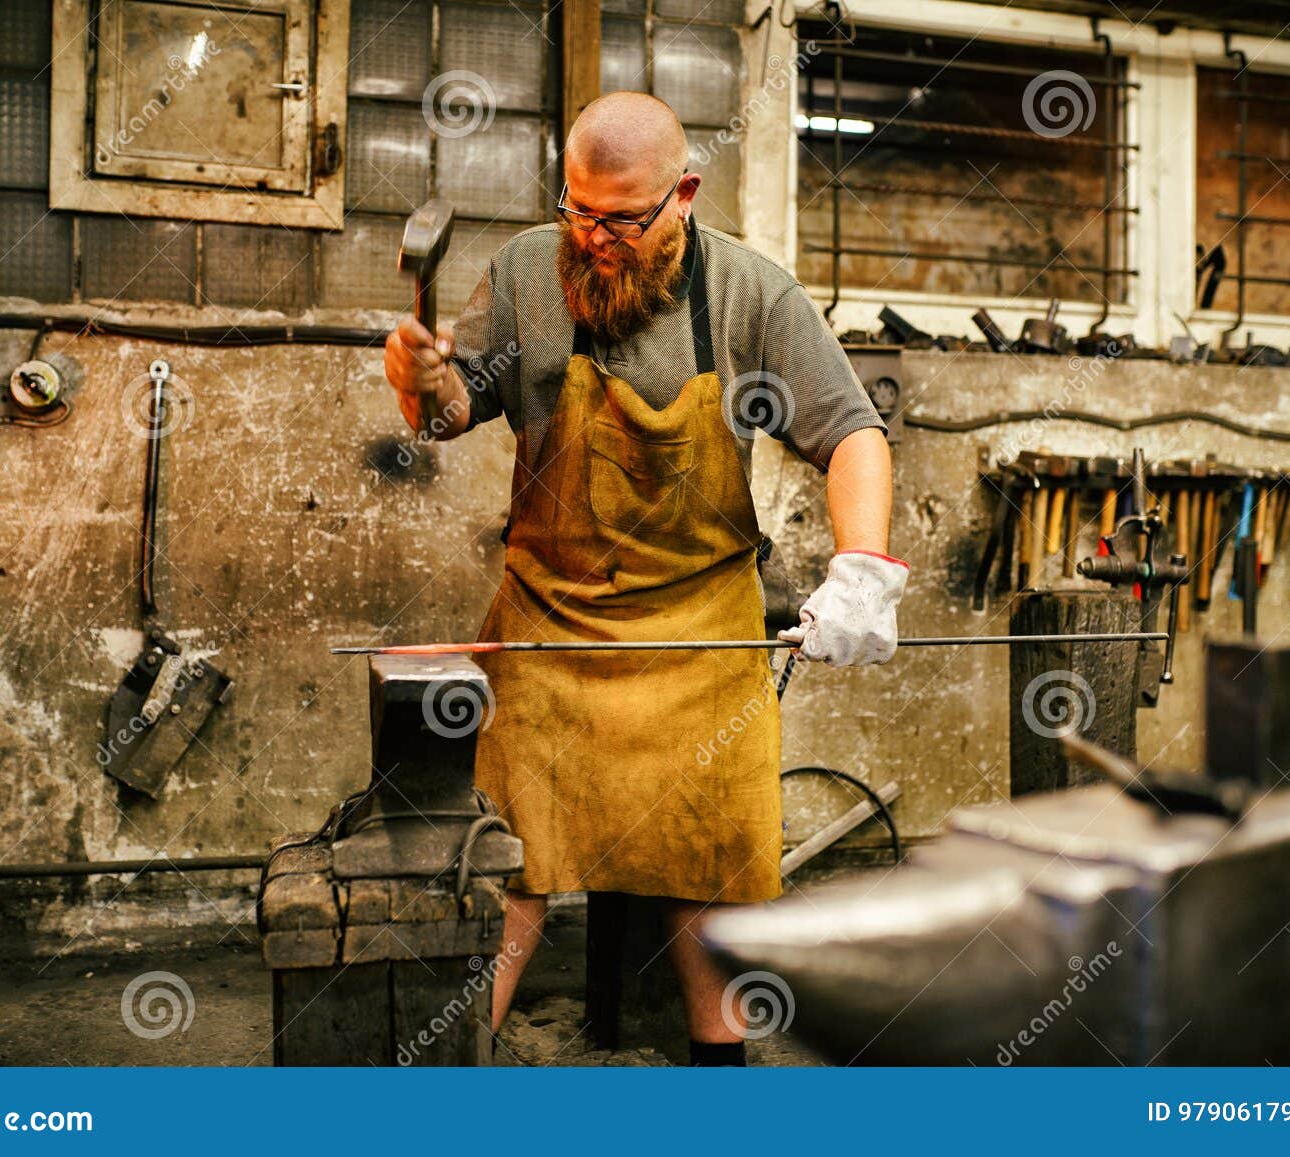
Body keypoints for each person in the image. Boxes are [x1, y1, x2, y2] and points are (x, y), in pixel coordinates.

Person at [383, 91, 906, 1065]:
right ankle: (445, 1076)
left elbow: (853, 435)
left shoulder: (752, 295)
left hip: (699, 639)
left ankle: (718, 1083)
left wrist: (863, 567)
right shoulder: (529, 272)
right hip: (549, 627)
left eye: (623, 218)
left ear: (684, 195)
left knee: (713, 874)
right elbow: (452, 413)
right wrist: (420, 377)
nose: (597, 237)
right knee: (510, 872)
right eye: (579, 211)